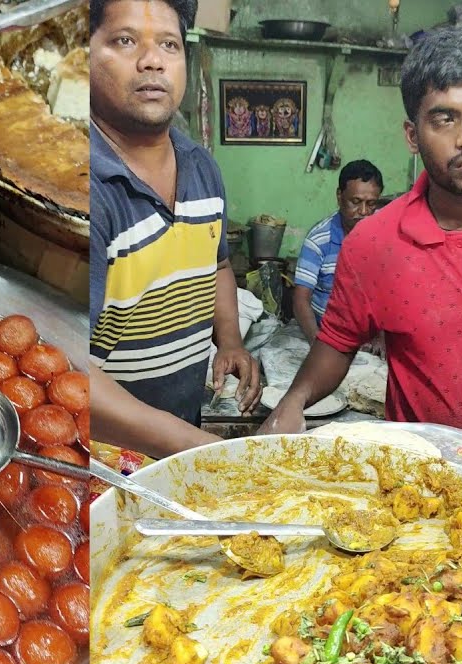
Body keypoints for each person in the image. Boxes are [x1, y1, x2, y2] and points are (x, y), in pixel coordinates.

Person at [260, 27, 462, 435]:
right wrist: (294, 399)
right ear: (413, 136)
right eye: (445, 119)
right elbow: (337, 343)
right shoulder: (372, 245)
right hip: (426, 466)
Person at [88, 0, 260, 459]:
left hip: (183, 432)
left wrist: (230, 341)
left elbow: (217, 265)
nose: (152, 60)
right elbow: (66, 362)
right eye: (126, 40)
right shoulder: (86, 191)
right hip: (104, 454)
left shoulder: (202, 167)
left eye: (169, 44)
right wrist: (189, 445)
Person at [292, 159, 384, 343]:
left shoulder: (385, 233)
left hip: (371, 332)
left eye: (371, 204)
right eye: (355, 202)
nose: (363, 211)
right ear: (339, 196)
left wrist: (382, 338)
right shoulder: (319, 240)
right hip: (329, 332)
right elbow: (301, 299)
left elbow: (391, 291)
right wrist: (317, 343)